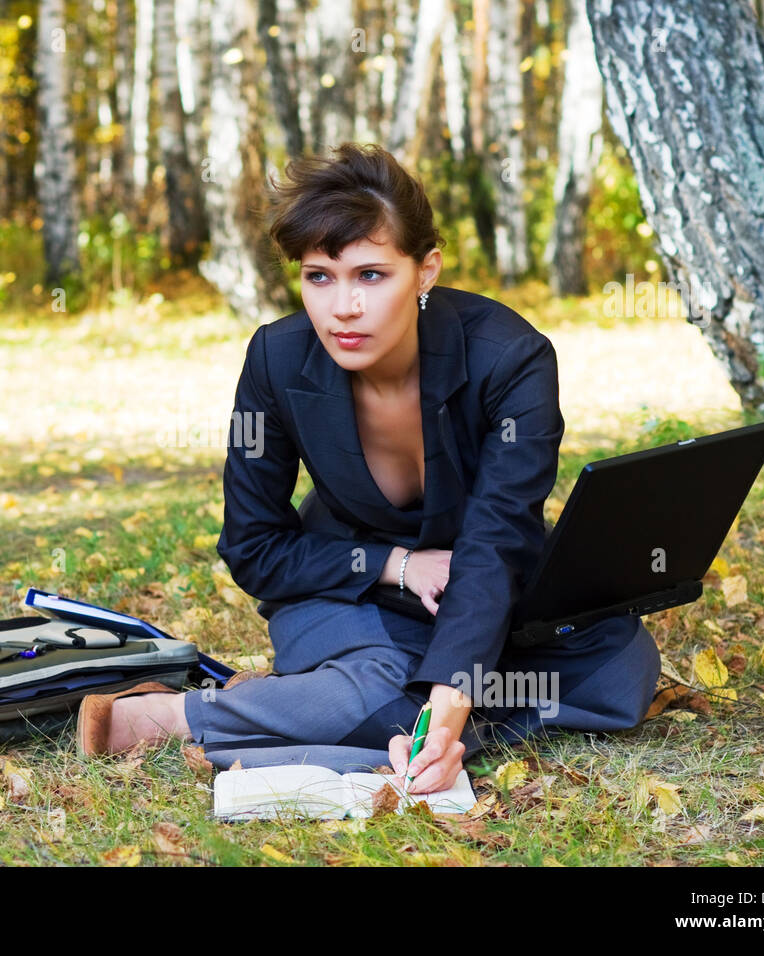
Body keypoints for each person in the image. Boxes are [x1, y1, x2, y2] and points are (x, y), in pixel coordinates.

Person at [75, 143, 661, 793]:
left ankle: (369, 714)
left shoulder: (511, 359)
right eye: (318, 276)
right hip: (345, 589)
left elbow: (498, 540)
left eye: (371, 276)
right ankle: (173, 714)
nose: (342, 307)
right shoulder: (277, 359)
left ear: (426, 270)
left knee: (621, 668)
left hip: (482, 591)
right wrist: (395, 566)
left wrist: (450, 696)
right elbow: (253, 547)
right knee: (398, 696)